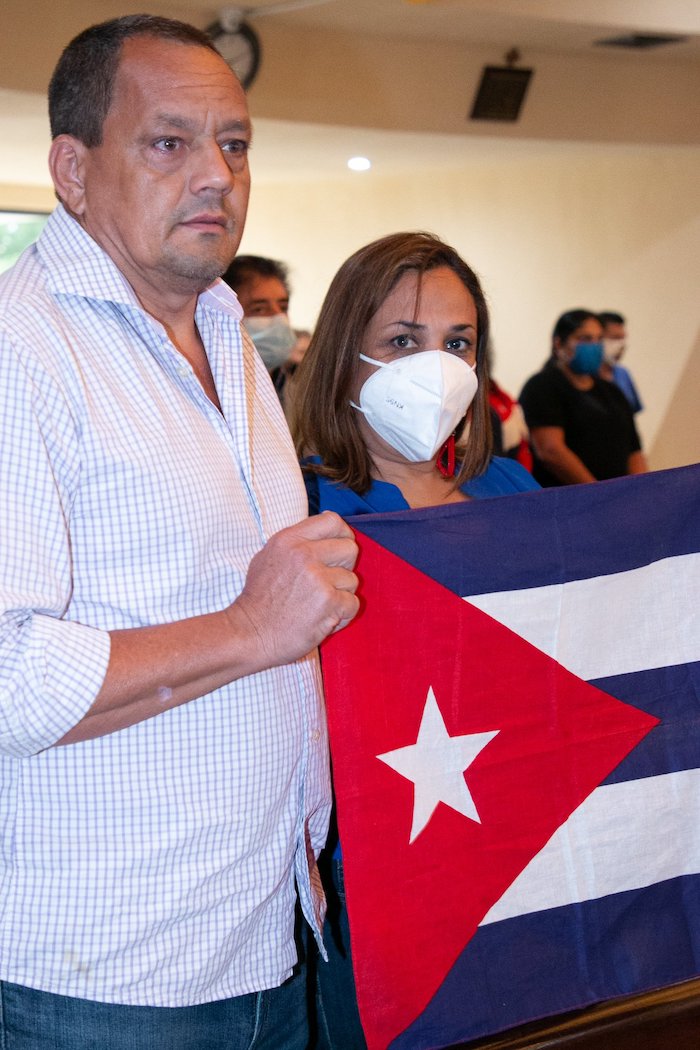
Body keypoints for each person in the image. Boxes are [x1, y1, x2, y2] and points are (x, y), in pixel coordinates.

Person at [0, 15, 360, 1050]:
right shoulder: (21, 349)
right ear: (74, 168)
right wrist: (253, 627)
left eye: (234, 144)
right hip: (102, 978)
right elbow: (10, 678)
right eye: (169, 143)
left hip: (264, 934)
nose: (216, 174)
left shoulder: (223, 333)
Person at [292, 231, 539, 1048]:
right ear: (344, 358)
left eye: (457, 342)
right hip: (381, 869)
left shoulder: (512, 489)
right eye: (403, 341)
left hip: (516, 840)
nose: (436, 365)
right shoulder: (305, 510)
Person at [519, 308, 648, 487]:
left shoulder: (612, 392)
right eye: (585, 339)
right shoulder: (542, 386)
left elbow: (634, 450)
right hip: (570, 500)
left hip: (618, 499)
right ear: (559, 343)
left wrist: (641, 489)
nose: (594, 346)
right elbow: (550, 450)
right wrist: (597, 492)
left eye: (598, 339)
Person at [222, 253, 300, 408]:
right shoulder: (215, 392)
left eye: (283, 307)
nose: (278, 317)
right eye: (259, 309)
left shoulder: (299, 390)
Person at [598, 310, 644, 414]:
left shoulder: (623, 374)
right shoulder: (583, 374)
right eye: (615, 338)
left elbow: (631, 412)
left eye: (622, 338)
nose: (621, 345)